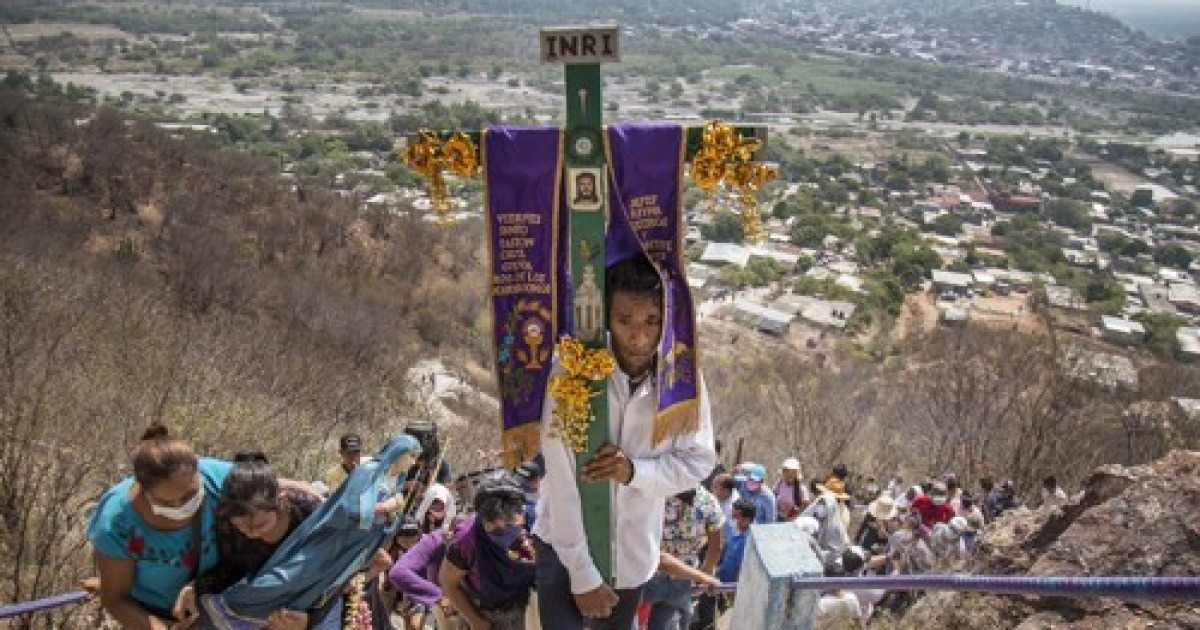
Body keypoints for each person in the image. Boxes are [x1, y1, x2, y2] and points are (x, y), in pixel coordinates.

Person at [533, 254, 717, 630]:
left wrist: (634, 472)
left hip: (633, 555)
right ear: (605, 317)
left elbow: (698, 461)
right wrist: (582, 574)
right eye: (624, 320)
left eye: (652, 321)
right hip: (562, 548)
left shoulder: (683, 378)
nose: (639, 336)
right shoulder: (573, 371)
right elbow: (562, 477)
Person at [194, 456, 383, 629]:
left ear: (281, 502)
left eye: (260, 524)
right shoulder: (228, 523)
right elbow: (227, 569)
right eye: (241, 525)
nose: (250, 533)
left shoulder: (315, 518)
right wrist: (196, 591)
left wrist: (310, 620)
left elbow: (334, 578)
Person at [88, 423, 232, 629]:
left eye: (189, 495)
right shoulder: (116, 521)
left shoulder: (218, 477)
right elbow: (116, 599)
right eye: (167, 503)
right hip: (153, 613)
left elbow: (274, 489)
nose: (181, 506)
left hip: (219, 602)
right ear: (141, 488)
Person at [440, 470, 536, 630]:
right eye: (491, 523)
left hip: (527, 605)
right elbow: (448, 582)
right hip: (487, 612)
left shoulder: (536, 525)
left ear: (520, 512)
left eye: (508, 521)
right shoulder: (467, 539)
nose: (500, 528)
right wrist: (476, 621)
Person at [642, 485, 724, 630]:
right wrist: (704, 574)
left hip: (651, 572)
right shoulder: (709, 502)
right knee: (671, 621)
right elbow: (715, 548)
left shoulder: (657, 496)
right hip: (685, 577)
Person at [388, 518, 454, 630]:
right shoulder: (395, 550)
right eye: (403, 536)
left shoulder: (428, 545)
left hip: (427, 591)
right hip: (411, 592)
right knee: (409, 623)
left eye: (412, 535)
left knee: (416, 625)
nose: (408, 540)